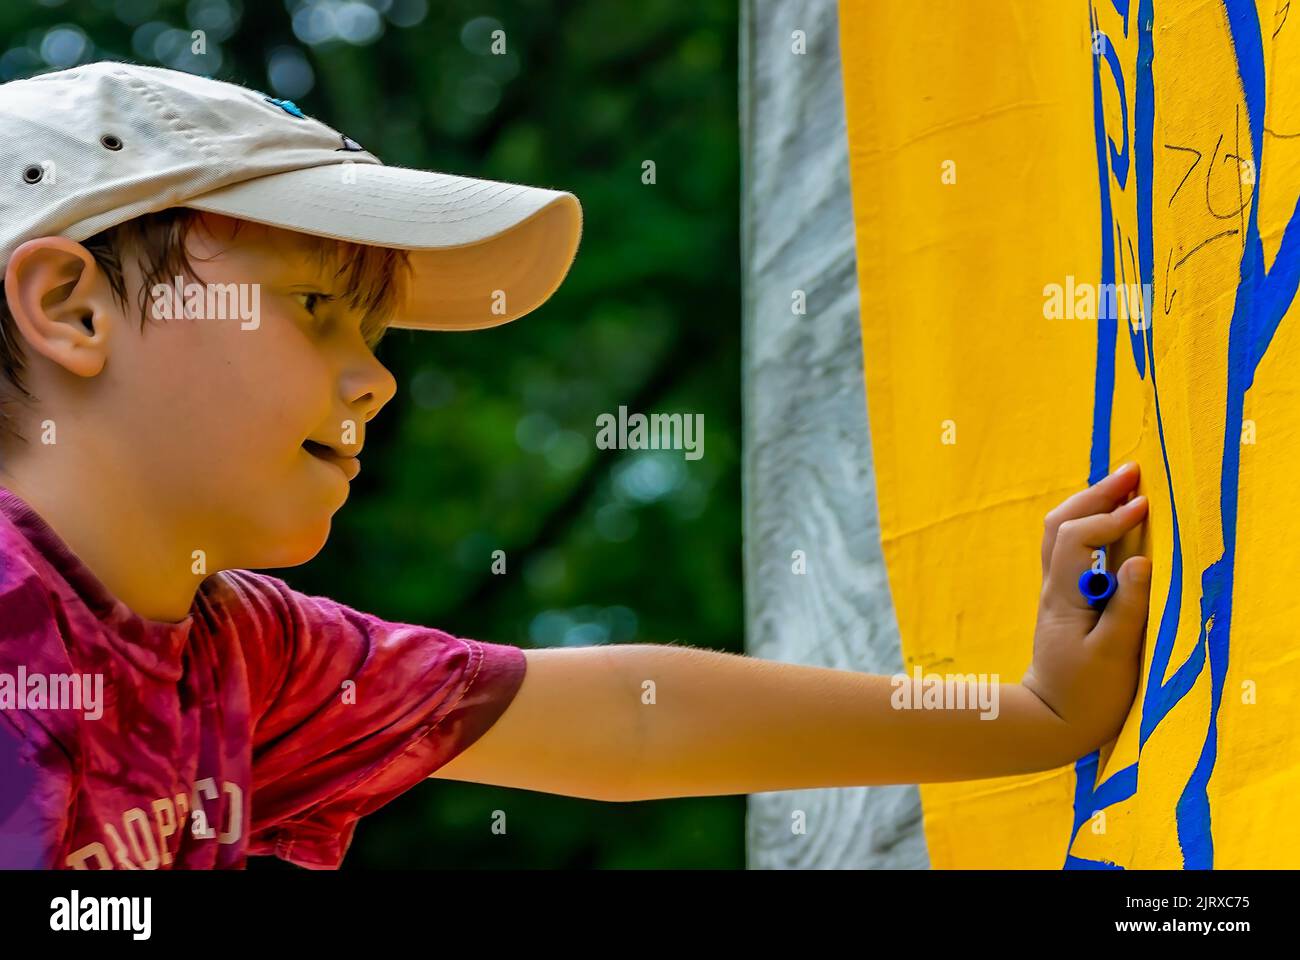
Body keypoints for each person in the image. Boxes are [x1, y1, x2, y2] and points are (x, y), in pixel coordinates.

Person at [0, 63, 1152, 869]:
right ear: (71, 308)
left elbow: (627, 724)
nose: (376, 380)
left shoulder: (246, 655)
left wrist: (1029, 714)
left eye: (374, 332)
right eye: (315, 308)